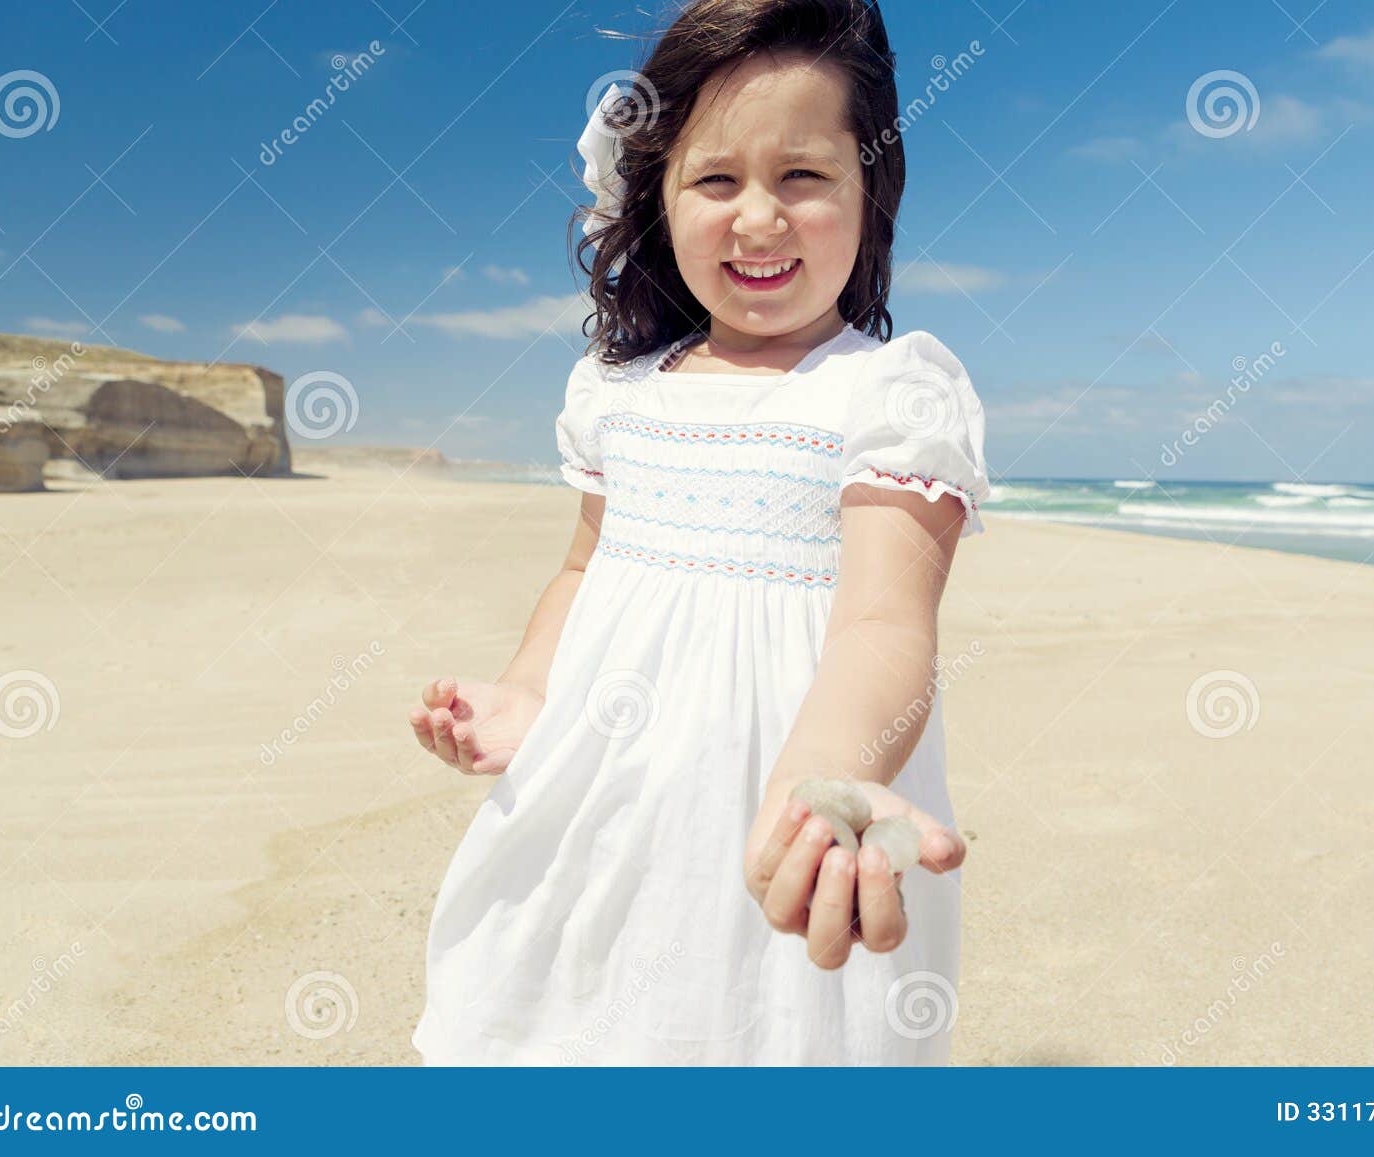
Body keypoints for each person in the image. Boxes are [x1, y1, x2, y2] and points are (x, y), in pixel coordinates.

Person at [410, 0, 991, 1065]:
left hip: (787, 825)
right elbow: (584, 567)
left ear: (871, 194)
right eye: (716, 179)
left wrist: (825, 780)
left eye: (803, 175)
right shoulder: (617, 390)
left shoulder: (892, 394)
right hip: (597, 813)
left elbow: (884, 621)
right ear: (659, 199)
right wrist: (527, 693)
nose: (758, 218)